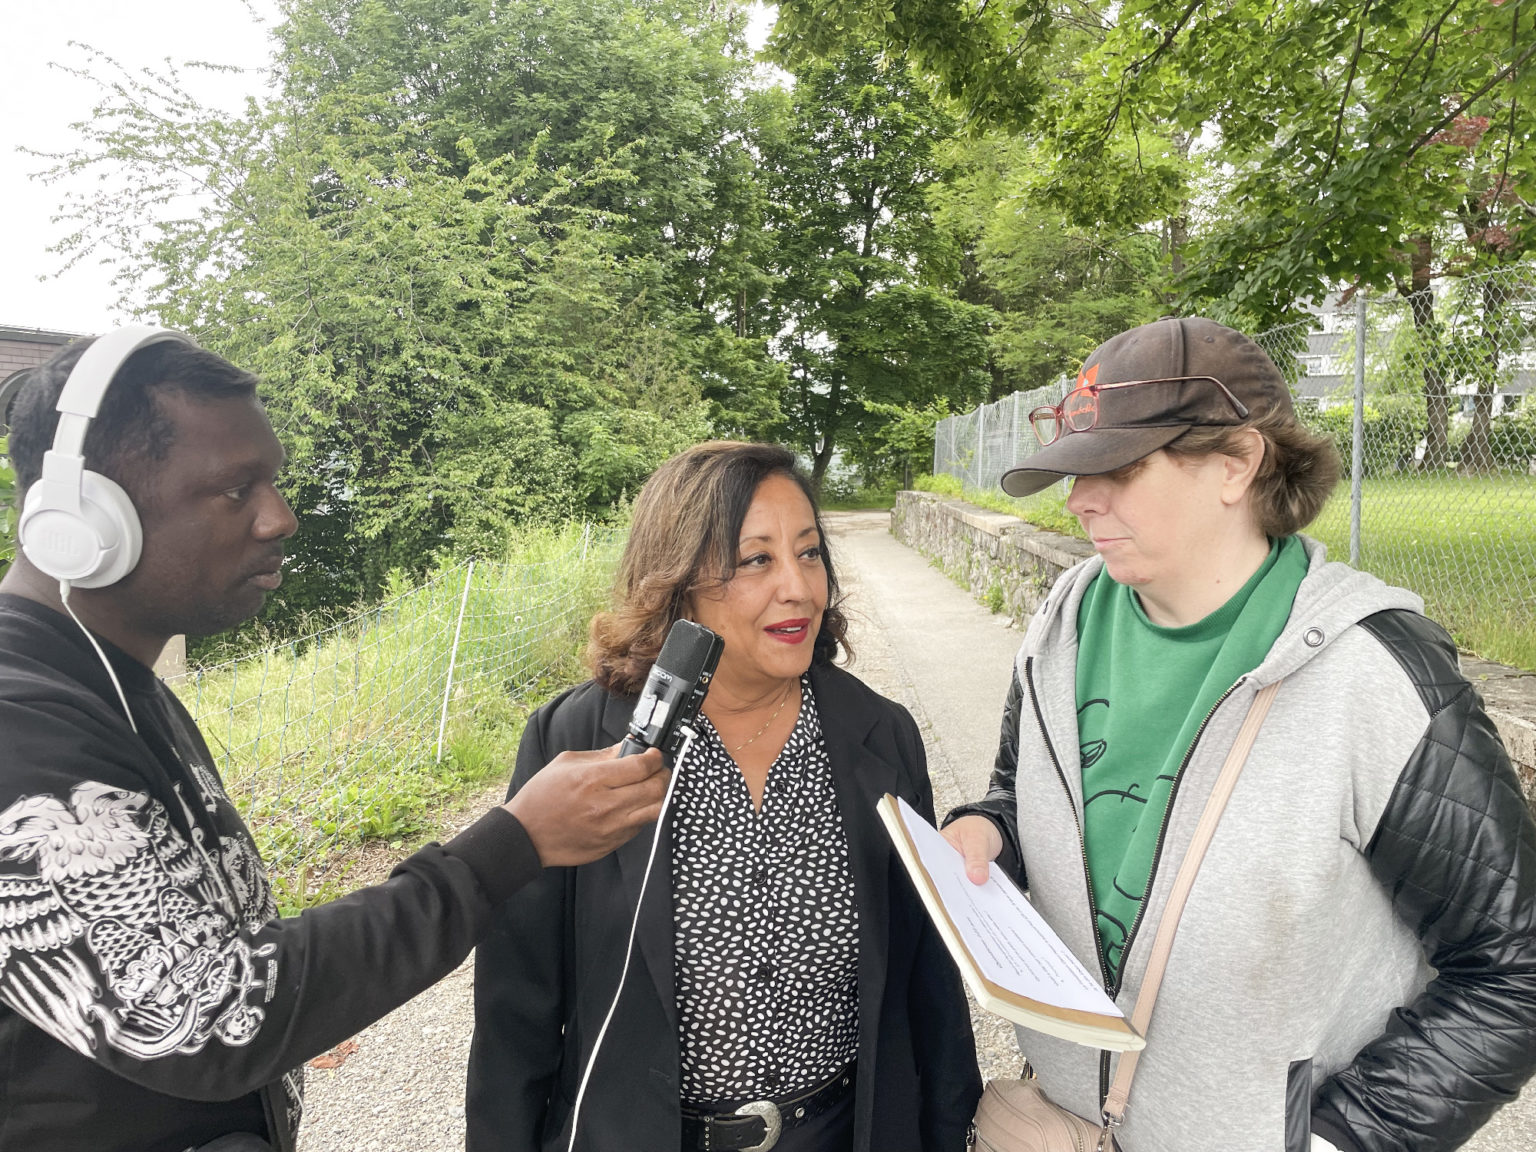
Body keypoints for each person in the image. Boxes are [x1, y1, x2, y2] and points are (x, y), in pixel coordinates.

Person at [0, 331, 669, 1152]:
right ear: (87, 522)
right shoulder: (17, 720)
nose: (280, 516)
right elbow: (210, 1012)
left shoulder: (113, 685)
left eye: (272, 480)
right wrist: (512, 846)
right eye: (235, 488)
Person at [942, 316, 1536, 1152]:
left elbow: (1512, 965)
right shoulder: (1063, 619)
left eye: (1117, 468)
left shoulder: (1376, 675)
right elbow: (1024, 790)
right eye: (1074, 472)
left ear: (1236, 462)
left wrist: (1344, 1140)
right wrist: (989, 830)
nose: (1079, 500)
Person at [466, 441, 981, 1152]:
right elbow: (515, 1009)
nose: (798, 588)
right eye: (755, 560)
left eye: (808, 553)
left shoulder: (879, 737)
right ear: (677, 583)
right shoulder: (581, 738)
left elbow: (929, 982)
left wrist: (951, 1130)